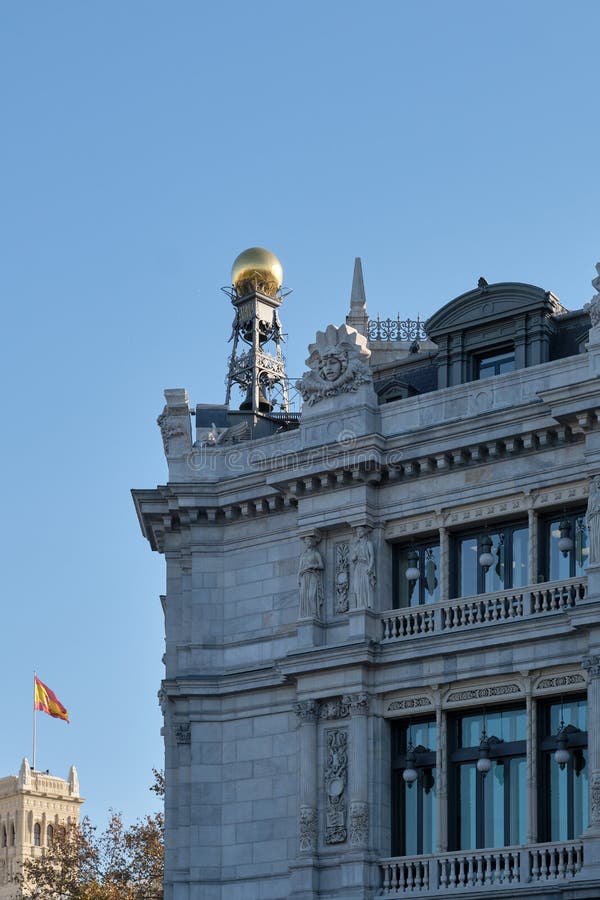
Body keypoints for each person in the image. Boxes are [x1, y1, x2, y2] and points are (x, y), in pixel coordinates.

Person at [298, 534, 325, 618]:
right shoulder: (302, 555)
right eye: (306, 541)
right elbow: (300, 568)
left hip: (313, 575)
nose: (308, 543)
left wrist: (313, 566)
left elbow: (321, 565)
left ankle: (314, 614)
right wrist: (298, 579)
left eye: (309, 541)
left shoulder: (316, 554)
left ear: (313, 542)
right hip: (304, 577)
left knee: (311, 596)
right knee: (304, 596)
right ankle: (306, 615)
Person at [350, 525, 376, 609]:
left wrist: (370, 567)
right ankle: (359, 605)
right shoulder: (356, 545)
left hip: (365, 566)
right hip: (358, 566)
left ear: (364, 532)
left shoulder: (368, 543)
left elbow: (372, 556)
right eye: (357, 532)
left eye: (360, 531)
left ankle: (366, 604)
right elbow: (353, 558)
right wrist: (355, 550)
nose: (358, 533)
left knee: (365, 586)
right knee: (357, 586)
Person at [587, 475, 600, 565]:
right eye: (597, 481)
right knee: (596, 538)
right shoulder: (591, 497)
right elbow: (588, 512)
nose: (599, 483)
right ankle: (596, 560)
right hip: (594, 519)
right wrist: (588, 522)